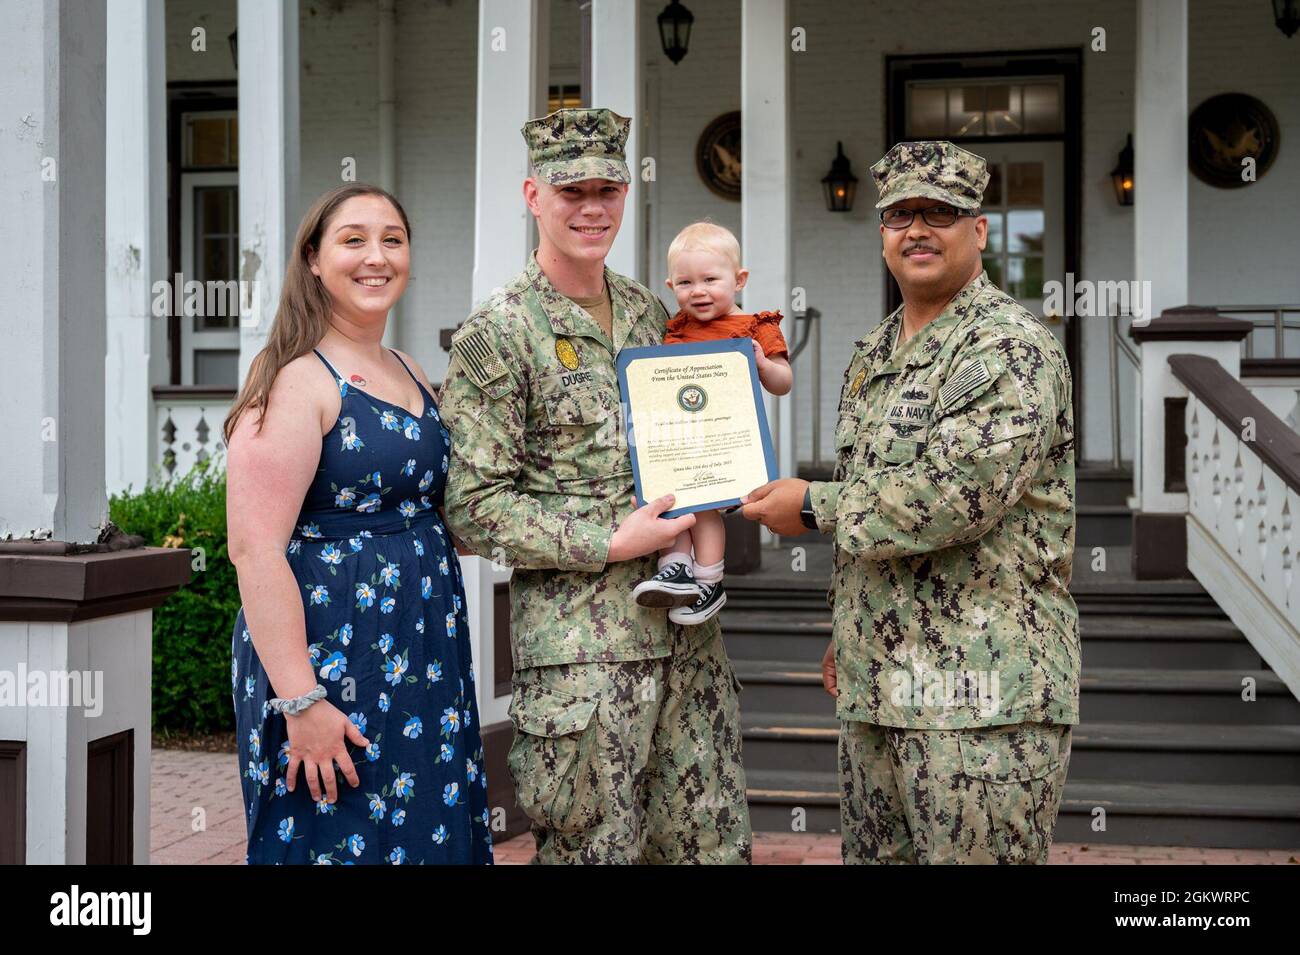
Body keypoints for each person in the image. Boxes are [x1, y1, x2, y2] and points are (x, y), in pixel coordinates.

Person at [741, 141, 1079, 864]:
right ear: (883, 232)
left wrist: (812, 506)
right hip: (879, 687)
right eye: (900, 214)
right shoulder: (874, 353)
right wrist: (849, 627)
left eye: (940, 212)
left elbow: (956, 496)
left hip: (980, 698)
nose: (917, 229)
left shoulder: (1009, 347)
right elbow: (873, 496)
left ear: (979, 231)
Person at [439, 108, 752, 864]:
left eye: (607, 189)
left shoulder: (654, 311)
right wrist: (612, 540)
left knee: (709, 849)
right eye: (570, 189)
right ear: (532, 195)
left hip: (689, 649)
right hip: (584, 664)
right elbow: (472, 508)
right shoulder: (500, 332)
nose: (591, 207)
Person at [225, 184, 491, 864]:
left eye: (392, 240)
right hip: (332, 664)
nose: (377, 257)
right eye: (353, 240)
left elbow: (444, 515)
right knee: (338, 843)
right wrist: (301, 701)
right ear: (313, 259)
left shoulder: (408, 368)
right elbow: (254, 549)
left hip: (426, 657)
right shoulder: (294, 377)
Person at [630, 221, 792, 626]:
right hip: (680, 439)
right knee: (667, 504)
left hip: (724, 444)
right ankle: (677, 568)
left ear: (739, 280)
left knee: (705, 513)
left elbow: (783, 383)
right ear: (670, 286)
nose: (697, 291)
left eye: (710, 279)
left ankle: (710, 581)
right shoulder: (676, 330)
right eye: (685, 282)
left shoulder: (756, 327)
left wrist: (760, 363)